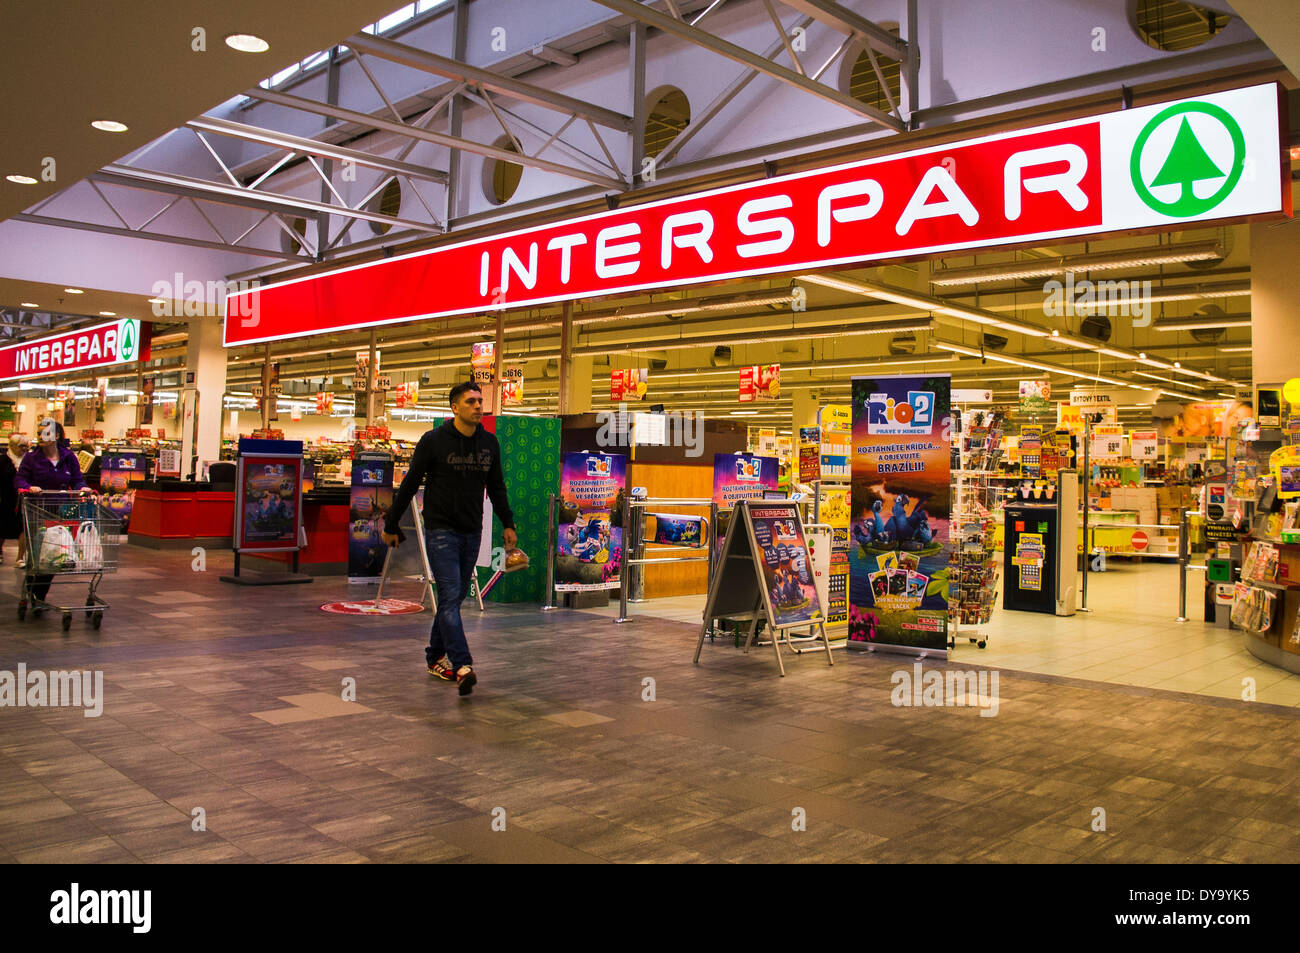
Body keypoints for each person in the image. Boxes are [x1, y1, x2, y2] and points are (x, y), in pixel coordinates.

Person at [382, 382, 516, 696]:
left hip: (473, 531)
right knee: (451, 592)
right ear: (454, 407)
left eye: (480, 401)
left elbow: (496, 487)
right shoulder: (433, 441)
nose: (478, 406)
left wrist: (507, 522)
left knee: (451, 600)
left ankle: (433, 656)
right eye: (471, 401)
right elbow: (410, 483)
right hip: (441, 530)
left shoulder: (489, 444)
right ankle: (462, 665)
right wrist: (391, 523)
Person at [16, 419, 92, 612]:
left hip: (60, 514)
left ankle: (37, 596)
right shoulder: (32, 458)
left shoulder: (68, 457)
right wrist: (27, 487)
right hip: (36, 511)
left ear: (56, 436)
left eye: (45, 433)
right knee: (37, 557)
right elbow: (20, 478)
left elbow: (76, 479)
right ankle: (33, 594)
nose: (41, 436)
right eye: (39, 432)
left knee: (53, 556)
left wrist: (82, 487)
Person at [0, 434, 26, 565]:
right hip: (6, 499)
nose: (24, 449)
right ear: (12, 446)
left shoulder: (28, 460)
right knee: (2, 528)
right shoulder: (3, 460)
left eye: (26, 446)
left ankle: (20, 557)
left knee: (23, 528)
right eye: (21, 446)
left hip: (24, 500)